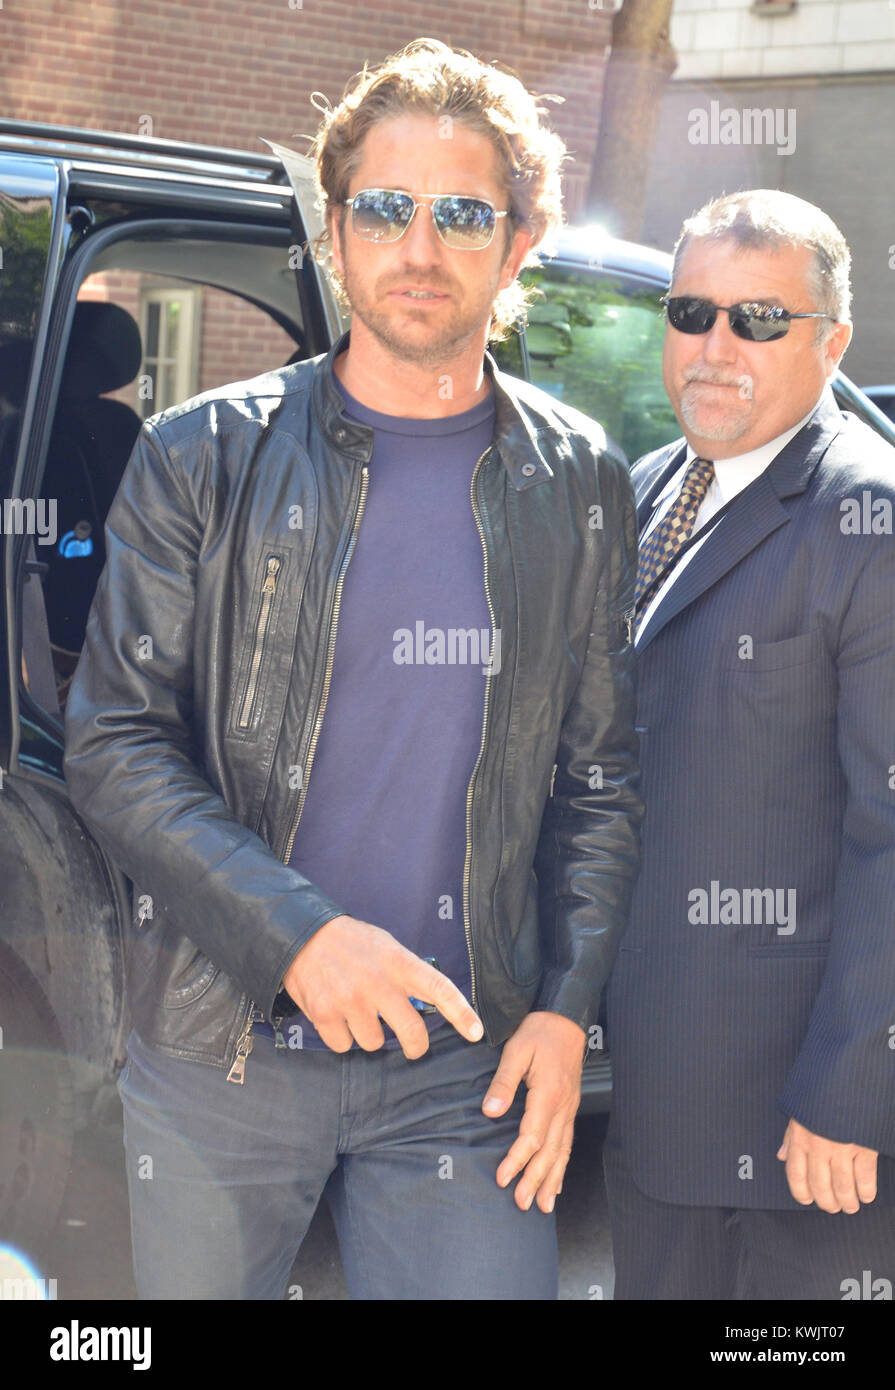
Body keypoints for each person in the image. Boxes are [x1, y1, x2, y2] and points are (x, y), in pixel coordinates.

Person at [62, 38, 642, 1301]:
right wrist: (301, 936)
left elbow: (596, 777)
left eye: (461, 213)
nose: (419, 246)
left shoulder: (581, 479)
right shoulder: (200, 455)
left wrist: (566, 1006)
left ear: (520, 242)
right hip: (223, 1043)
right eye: (384, 207)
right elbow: (114, 740)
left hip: (465, 1059)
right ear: (335, 230)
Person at [604, 188, 895, 1300]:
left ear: (832, 344)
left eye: (759, 320)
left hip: (802, 1136)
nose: (716, 346)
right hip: (660, 1101)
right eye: (692, 312)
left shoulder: (865, 527)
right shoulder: (646, 488)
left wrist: (849, 1092)